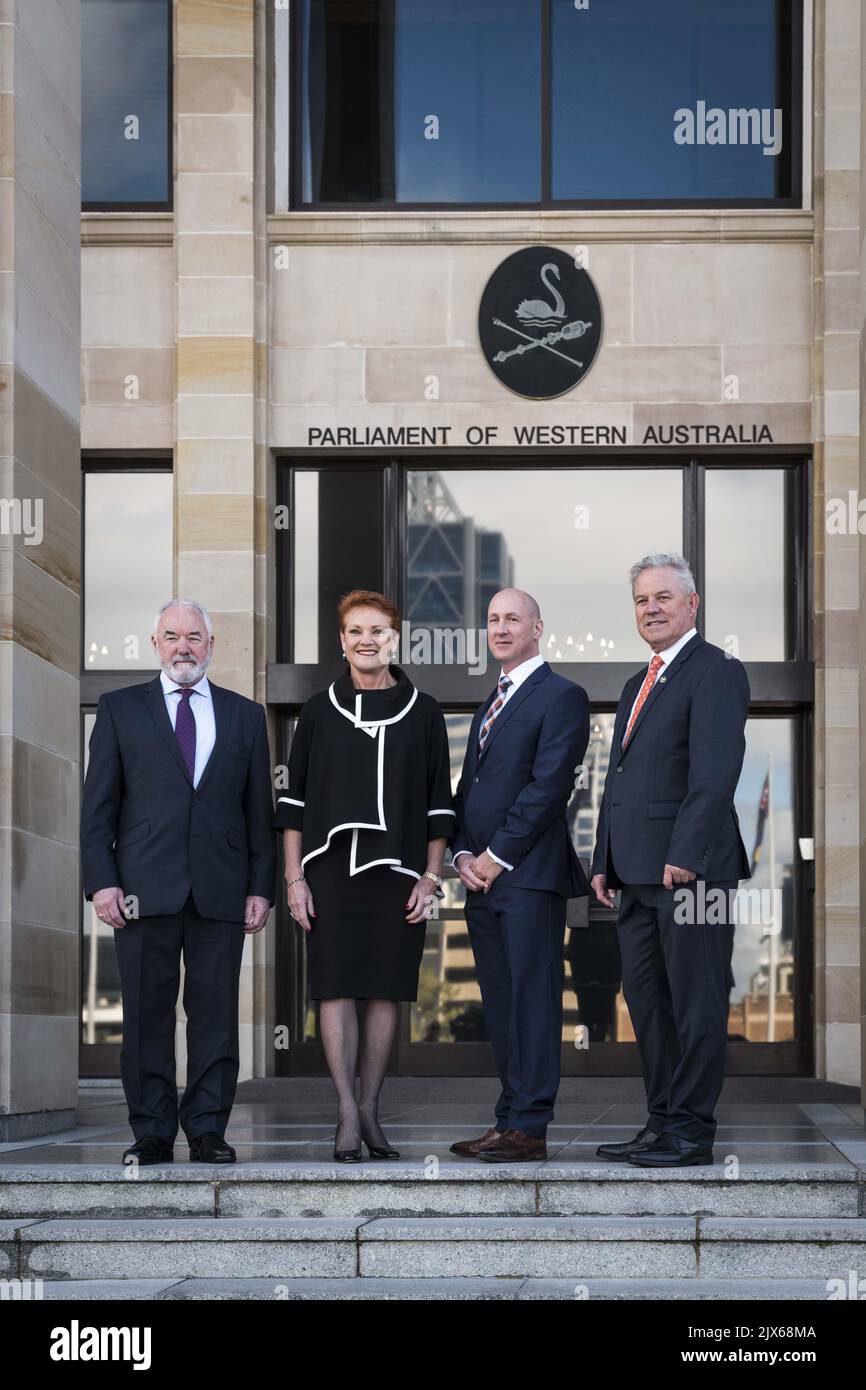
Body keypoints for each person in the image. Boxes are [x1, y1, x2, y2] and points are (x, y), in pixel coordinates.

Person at [80, 600, 276, 1166]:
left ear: (211, 646)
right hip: (142, 889)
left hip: (221, 889)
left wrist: (260, 886)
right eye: (172, 636)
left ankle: (209, 1130)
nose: (183, 646)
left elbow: (257, 812)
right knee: (145, 1015)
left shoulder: (245, 716)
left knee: (216, 1016)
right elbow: (99, 809)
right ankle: (152, 1131)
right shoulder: (120, 710)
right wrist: (102, 883)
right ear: (155, 643)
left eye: (194, 636)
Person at [276, 589, 454, 1162]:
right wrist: (294, 879)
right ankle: (346, 1114)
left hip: (398, 875)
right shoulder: (318, 709)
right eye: (356, 630)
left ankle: (372, 1108)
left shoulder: (423, 711)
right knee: (334, 987)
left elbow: (438, 806)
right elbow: (294, 803)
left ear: (395, 638)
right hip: (328, 872)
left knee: (386, 990)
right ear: (342, 640)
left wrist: (430, 879)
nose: (367, 639)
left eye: (377, 630)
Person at [591, 553, 750, 1168]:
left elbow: (714, 776)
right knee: (649, 1007)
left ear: (692, 604)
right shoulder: (639, 682)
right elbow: (622, 779)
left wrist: (685, 855)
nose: (650, 608)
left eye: (662, 597)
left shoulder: (716, 671)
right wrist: (602, 859)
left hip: (695, 873)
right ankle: (660, 1123)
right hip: (634, 876)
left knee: (696, 1001)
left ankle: (691, 1132)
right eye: (641, 600)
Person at [449, 588, 590, 1163]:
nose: (501, 628)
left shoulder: (562, 696)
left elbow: (548, 787)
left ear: (538, 628)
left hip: (527, 877)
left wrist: (494, 855)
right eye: (492, 620)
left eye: (513, 619)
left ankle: (530, 1126)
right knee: (502, 1002)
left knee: (532, 1000)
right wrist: (461, 855)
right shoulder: (492, 701)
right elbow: (469, 792)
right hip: (481, 880)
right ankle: (509, 1118)